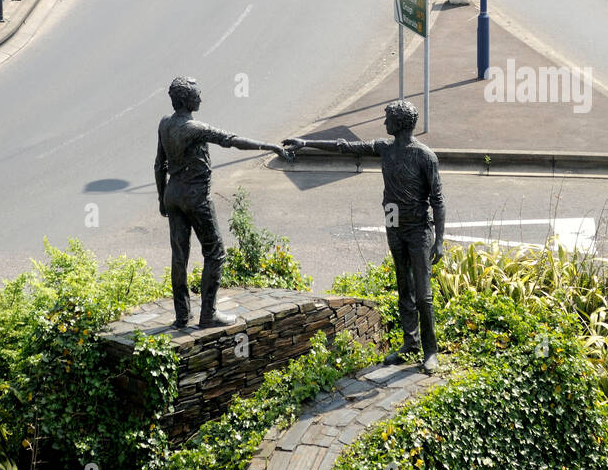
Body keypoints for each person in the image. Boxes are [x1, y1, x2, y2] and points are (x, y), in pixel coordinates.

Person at [285, 100, 445, 374]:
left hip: (419, 230)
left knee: (423, 295)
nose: (384, 125)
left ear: (400, 123)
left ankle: (431, 351)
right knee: (403, 289)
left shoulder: (425, 156)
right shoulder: (385, 148)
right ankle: (411, 343)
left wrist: (439, 241)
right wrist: (305, 143)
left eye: (388, 120)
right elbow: (344, 146)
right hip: (394, 225)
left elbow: (438, 201)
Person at [155, 76, 290, 329]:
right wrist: (270, 146)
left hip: (173, 194)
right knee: (215, 253)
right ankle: (208, 315)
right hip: (195, 197)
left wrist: (162, 198)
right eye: (197, 94)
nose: (201, 98)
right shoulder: (195, 128)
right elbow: (233, 140)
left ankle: (182, 316)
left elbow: (159, 164)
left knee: (179, 256)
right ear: (185, 100)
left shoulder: (164, 124)